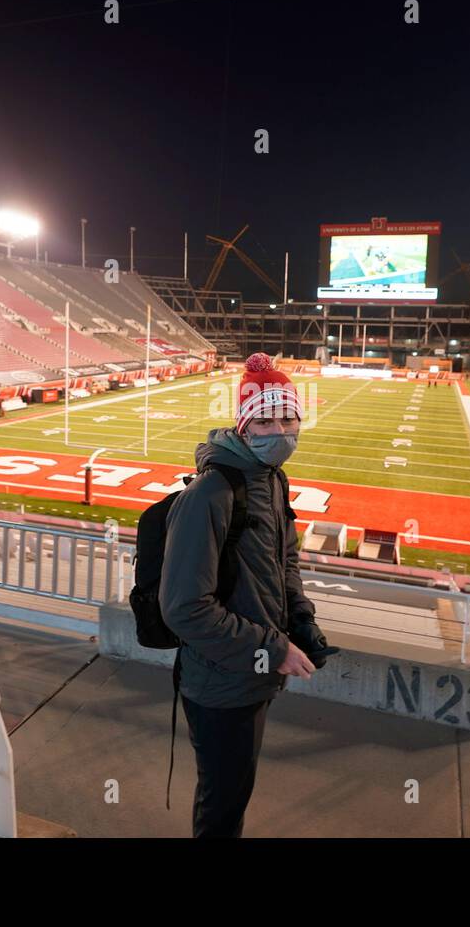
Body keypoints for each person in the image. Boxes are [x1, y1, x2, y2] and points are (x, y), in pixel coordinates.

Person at [159, 352, 335, 837]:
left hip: (255, 674)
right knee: (223, 808)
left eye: (288, 417)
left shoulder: (272, 480)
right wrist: (272, 648)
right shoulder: (209, 496)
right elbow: (184, 608)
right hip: (221, 681)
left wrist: (301, 619)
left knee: (234, 794)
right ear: (243, 424)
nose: (280, 430)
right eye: (265, 419)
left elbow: (285, 563)